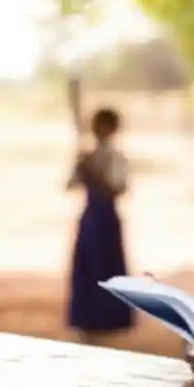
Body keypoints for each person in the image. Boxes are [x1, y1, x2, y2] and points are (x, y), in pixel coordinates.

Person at [66, 107, 134, 343]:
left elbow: (116, 190)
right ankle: (86, 320)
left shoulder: (116, 158)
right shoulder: (88, 156)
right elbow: (69, 185)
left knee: (106, 268)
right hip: (90, 218)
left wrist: (94, 171)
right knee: (86, 267)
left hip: (107, 220)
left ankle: (108, 320)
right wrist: (80, 166)